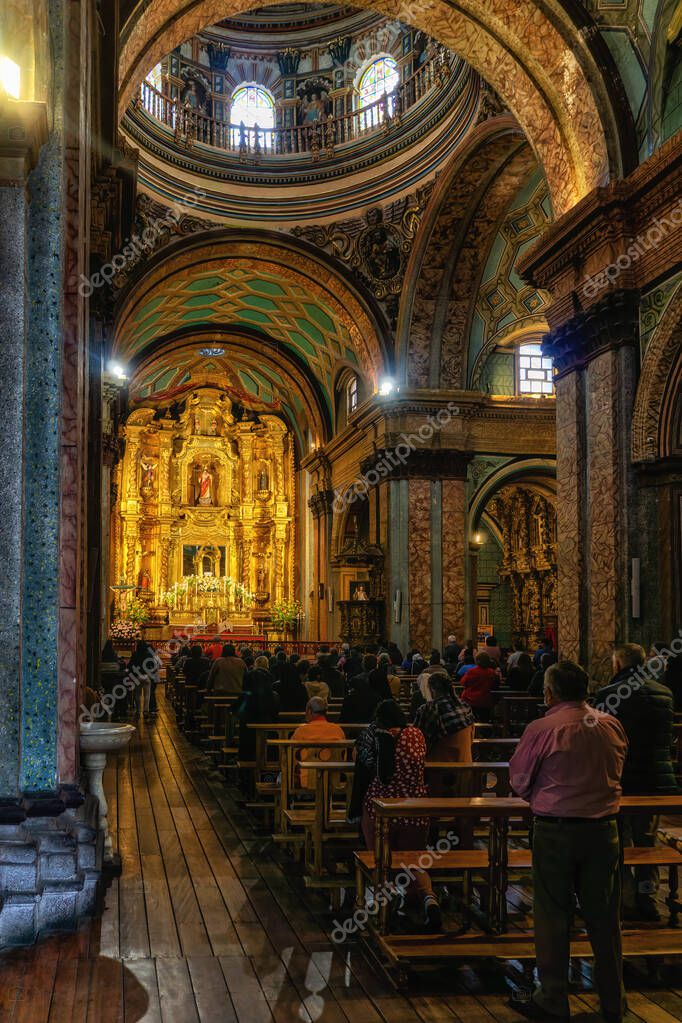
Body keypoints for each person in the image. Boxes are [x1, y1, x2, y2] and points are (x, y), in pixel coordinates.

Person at [509, 660, 628, 1023]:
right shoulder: (610, 724)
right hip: (604, 830)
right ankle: (613, 1000)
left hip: (556, 830)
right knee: (605, 917)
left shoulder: (543, 728)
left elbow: (519, 779)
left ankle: (553, 998)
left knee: (552, 915)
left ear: (550, 692)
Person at [594, 642, 678, 921]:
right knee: (647, 840)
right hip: (655, 778)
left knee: (618, 840)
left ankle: (625, 896)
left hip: (620, 776)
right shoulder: (664, 693)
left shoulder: (607, 694)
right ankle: (648, 896)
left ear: (618, 664)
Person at [361, 707, 442, 930]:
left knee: (379, 857)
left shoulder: (381, 738)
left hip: (381, 809)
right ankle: (430, 899)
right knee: (414, 859)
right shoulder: (416, 735)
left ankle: (387, 897)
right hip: (416, 807)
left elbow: (367, 766)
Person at [414, 672, 475, 761]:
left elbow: (419, 739)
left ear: (432, 689)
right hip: (465, 761)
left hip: (439, 767)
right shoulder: (465, 706)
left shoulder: (429, 709)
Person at [291, 697, 345, 788]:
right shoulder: (338, 730)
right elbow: (343, 756)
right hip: (333, 781)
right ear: (326, 712)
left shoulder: (301, 731)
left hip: (307, 781)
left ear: (309, 711)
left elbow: (293, 758)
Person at [238, 655, 278, 759]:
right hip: (266, 728)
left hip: (247, 733)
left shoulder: (247, 696)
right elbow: (275, 712)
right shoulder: (272, 695)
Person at [128, 639, 161, 720]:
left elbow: (130, 665)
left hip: (137, 677)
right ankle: (145, 711)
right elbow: (153, 666)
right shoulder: (148, 655)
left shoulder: (135, 654)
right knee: (147, 695)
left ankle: (138, 711)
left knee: (137, 695)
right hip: (146, 677)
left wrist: (133, 673)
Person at [460, 651, 497, 720]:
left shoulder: (472, 671)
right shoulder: (491, 672)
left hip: (470, 700)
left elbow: (463, 682)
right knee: (484, 719)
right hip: (485, 700)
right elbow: (495, 684)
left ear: (477, 661)